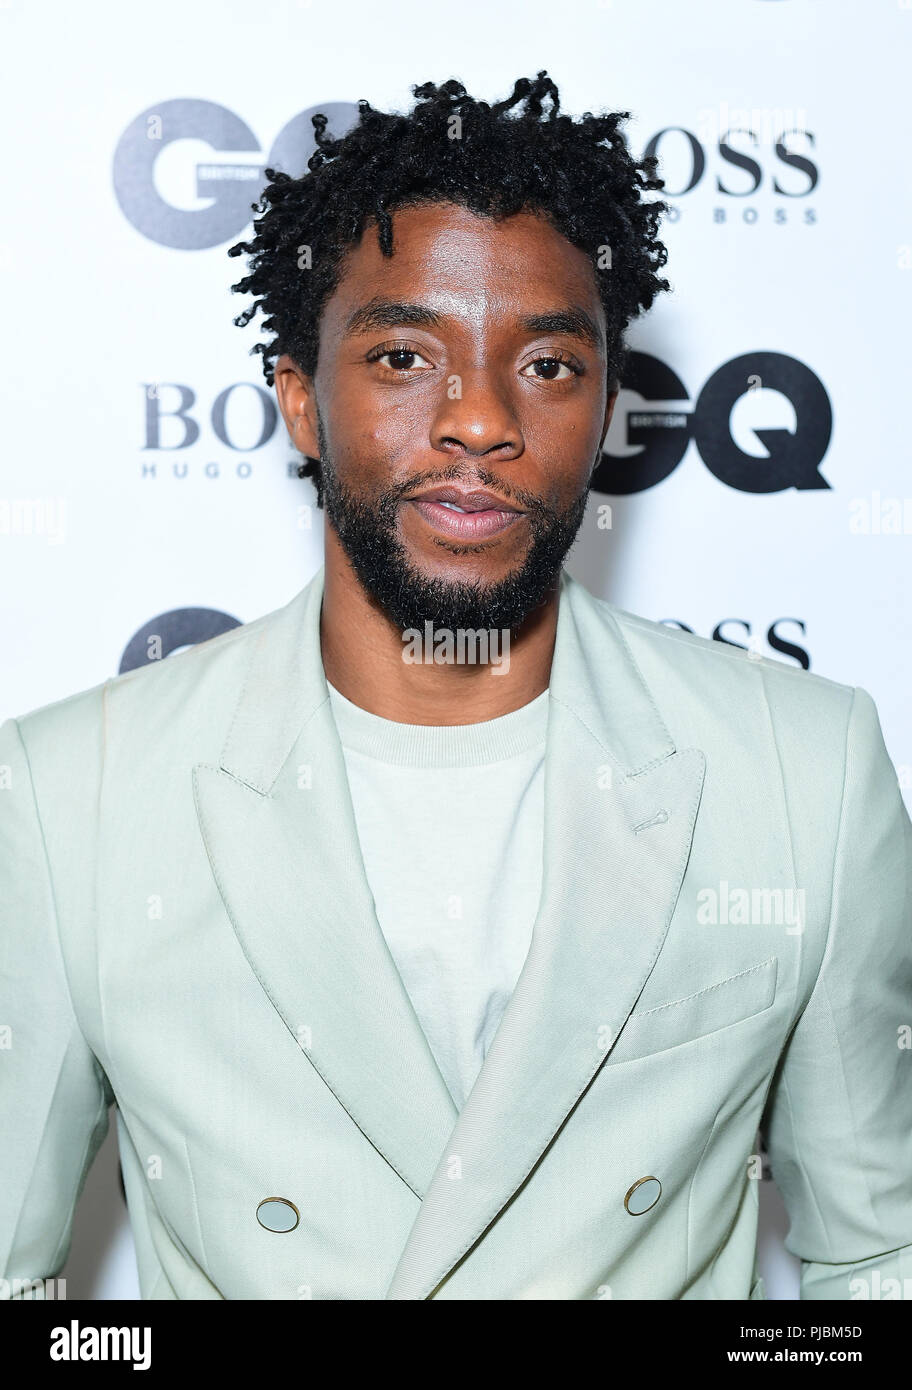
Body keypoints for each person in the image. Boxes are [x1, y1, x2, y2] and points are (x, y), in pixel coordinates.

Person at [1, 73, 910, 1302]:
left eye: (544, 363)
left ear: (605, 409)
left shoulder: (802, 768)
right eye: (401, 354)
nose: (478, 417)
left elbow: (875, 1257)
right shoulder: (76, 798)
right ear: (298, 402)